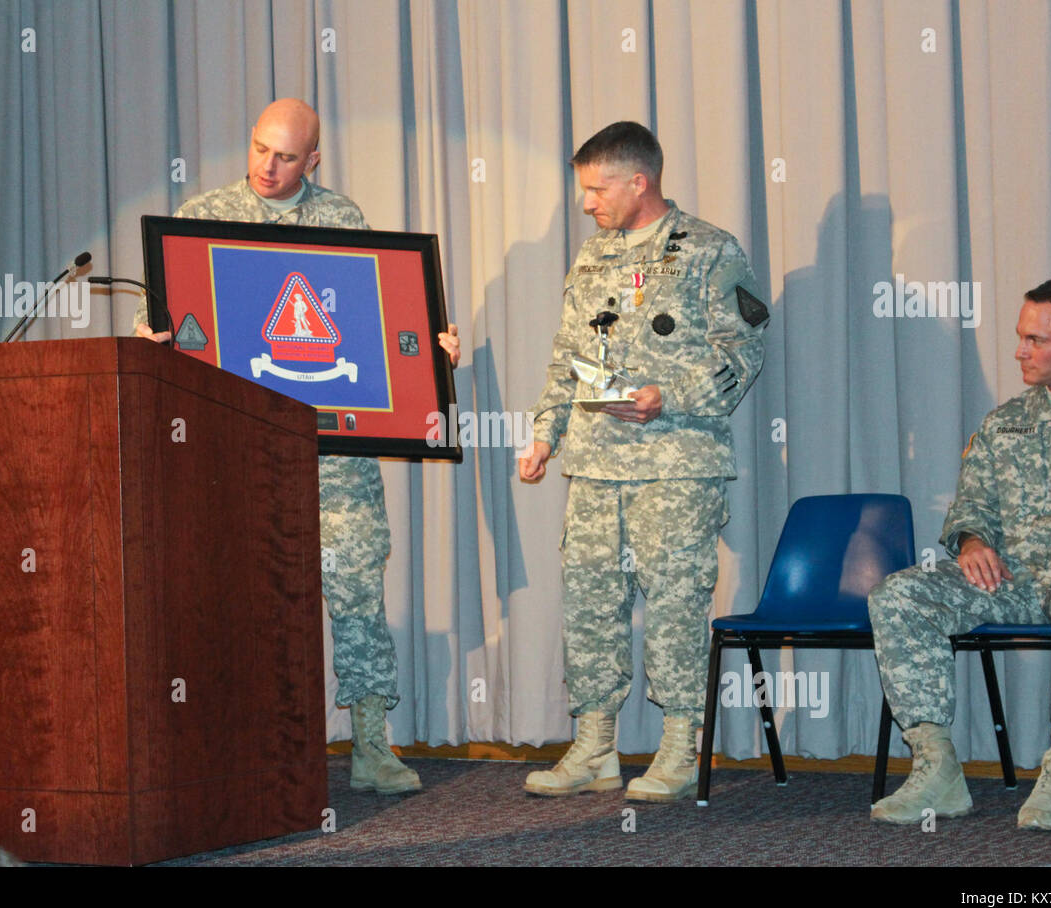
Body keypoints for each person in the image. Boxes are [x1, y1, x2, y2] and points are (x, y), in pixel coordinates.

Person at [134, 99, 460, 795]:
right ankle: (238, 745)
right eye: (259, 149)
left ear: (313, 160)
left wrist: (427, 353)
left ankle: (372, 744)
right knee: (235, 597)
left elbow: (378, 320)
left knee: (356, 594)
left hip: (334, 454)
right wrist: (152, 338)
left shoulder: (342, 219)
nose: (267, 167)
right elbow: (164, 320)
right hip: (233, 451)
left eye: (285, 157)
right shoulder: (201, 217)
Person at [520, 121, 767, 802]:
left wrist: (670, 397)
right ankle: (595, 748)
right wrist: (546, 434)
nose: (587, 202)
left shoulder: (712, 252)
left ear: (640, 181)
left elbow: (743, 355)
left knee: (675, 607)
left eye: (597, 188)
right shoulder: (592, 257)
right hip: (597, 465)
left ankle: (679, 750)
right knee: (592, 607)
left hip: (676, 464)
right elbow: (566, 356)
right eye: (584, 189)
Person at [869, 278, 1051, 830]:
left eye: (1035, 340)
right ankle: (936, 767)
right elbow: (971, 508)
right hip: (1009, 576)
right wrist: (973, 542)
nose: (1020, 351)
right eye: (1020, 338)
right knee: (899, 594)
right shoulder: (1004, 422)